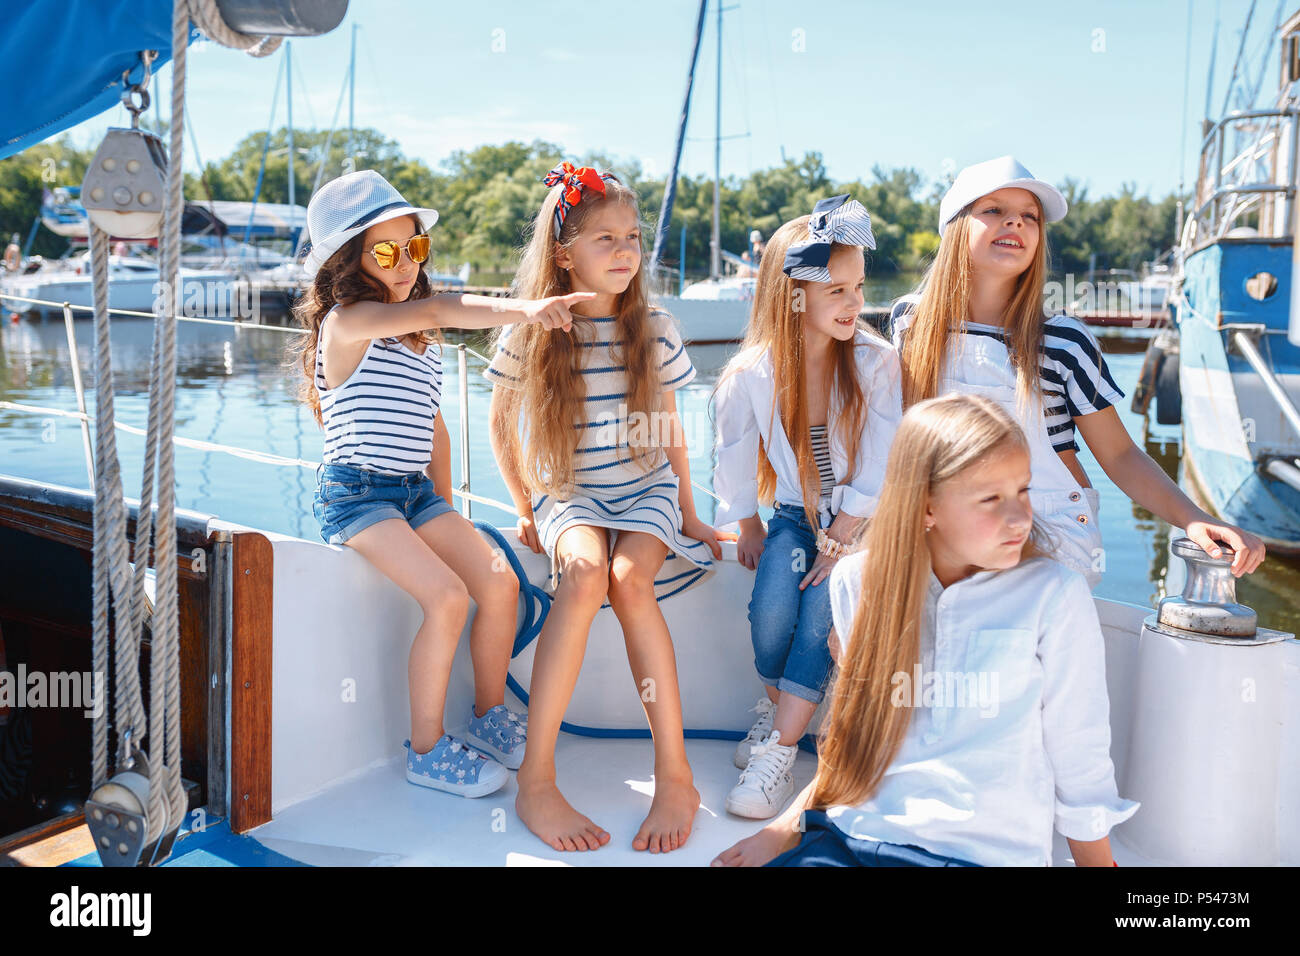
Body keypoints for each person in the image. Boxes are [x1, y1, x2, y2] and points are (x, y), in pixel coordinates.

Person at [712, 393, 1140, 867]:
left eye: (1023, 490)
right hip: (854, 835)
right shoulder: (859, 580)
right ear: (926, 506)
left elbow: (1078, 754)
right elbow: (854, 737)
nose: (1020, 516)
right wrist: (780, 832)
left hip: (979, 855)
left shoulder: (1053, 595)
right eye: (990, 498)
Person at [289, 169, 587, 799]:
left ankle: (485, 715)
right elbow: (442, 307)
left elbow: (434, 429)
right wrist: (529, 309)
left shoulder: (417, 342)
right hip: (356, 493)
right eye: (387, 252)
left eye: (414, 248)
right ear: (349, 261)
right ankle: (425, 750)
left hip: (413, 494)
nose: (405, 264)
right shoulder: (348, 322)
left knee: (499, 583)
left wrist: (444, 514)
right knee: (448, 598)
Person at [486, 161, 721, 853]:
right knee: (586, 575)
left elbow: (672, 430)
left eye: (632, 237)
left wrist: (689, 509)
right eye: (604, 240)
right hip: (571, 489)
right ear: (564, 255)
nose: (624, 252)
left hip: (645, 488)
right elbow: (500, 425)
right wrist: (525, 506)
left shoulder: (656, 326)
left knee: (628, 579)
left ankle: (675, 773)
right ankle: (538, 778)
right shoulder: (529, 327)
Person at [893, 155, 1265, 587]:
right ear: (956, 227)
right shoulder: (911, 323)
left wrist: (1193, 518)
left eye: (1029, 217)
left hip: (1041, 523)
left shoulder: (1064, 340)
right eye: (993, 210)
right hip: (936, 517)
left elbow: (1120, 455)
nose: (1015, 223)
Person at [712, 195, 900, 819]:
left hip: (863, 521)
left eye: (859, 288)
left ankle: (781, 749)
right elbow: (735, 453)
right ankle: (778, 712)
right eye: (837, 292)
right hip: (795, 515)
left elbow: (882, 454)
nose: (855, 305)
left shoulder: (876, 364)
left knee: (823, 606)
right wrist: (744, 522)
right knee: (770, 609)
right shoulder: (751, 373)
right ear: (791, 296)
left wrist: (844, 537)